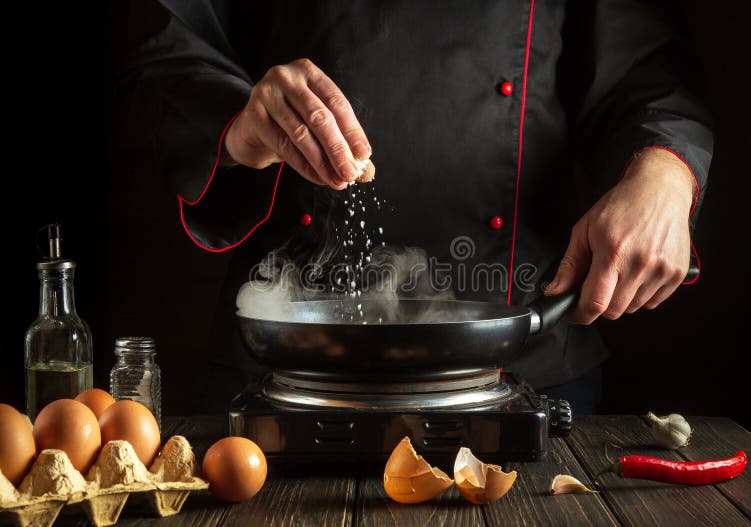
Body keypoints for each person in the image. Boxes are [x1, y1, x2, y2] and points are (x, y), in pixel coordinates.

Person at [108, 0, 713, 414]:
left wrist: (664, 172)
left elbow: (647, 68)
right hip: (285, 362)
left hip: (523, 356)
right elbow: (167, 50)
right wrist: (241, 122)